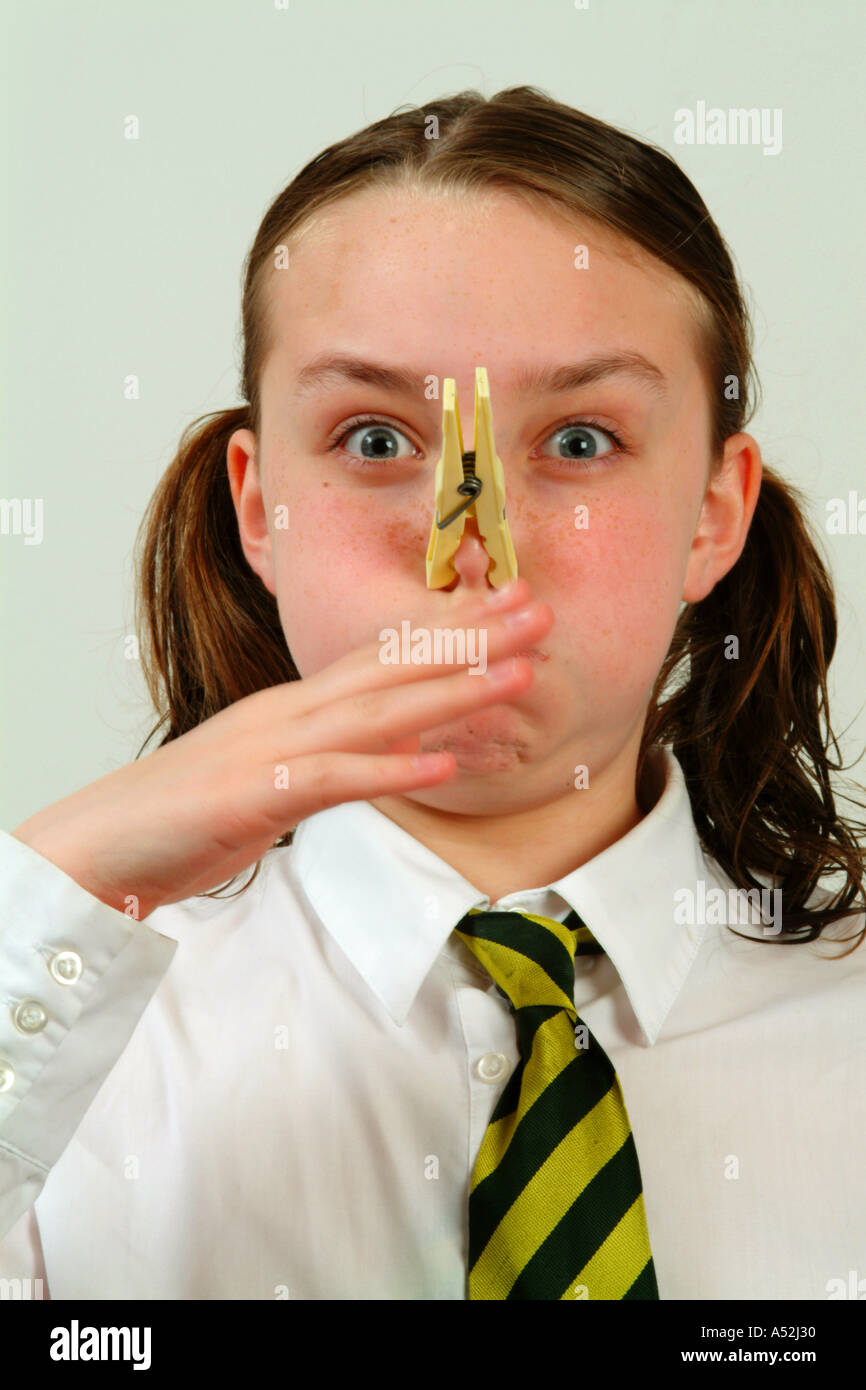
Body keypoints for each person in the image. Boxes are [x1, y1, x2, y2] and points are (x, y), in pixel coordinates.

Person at [1, 86, 864, 1301]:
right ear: (260, 509)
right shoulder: (62, 1046)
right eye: (370, 438)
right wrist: (67, 880)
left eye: (577, 441)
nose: (475, 551)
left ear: (713, 513)